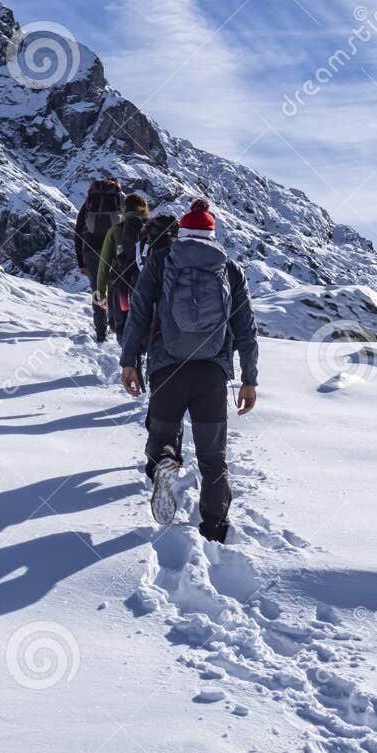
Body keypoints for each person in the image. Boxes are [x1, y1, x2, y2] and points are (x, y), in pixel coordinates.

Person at [118, 198, 258, 542]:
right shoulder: (229, 268)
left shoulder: (161, 260)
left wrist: (130, 361)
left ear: (181, 232)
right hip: (211, 372)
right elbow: (245, 328)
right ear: (212, 234)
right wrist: (249, 380)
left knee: (162, 437)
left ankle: (164, 461)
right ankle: (214, 528)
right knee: (213, 457)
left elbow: (138, 312)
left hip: (168, 366)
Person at [95, 194, 154, 342]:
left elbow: (104, 264)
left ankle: (129, 360)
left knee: (123, 328)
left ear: (124, 209)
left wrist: (101, 292)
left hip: (121, 287)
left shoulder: (115, 231)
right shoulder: (154, 229)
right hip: (149, 286)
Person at [73, 175, 123, 340]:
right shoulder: (119, 201)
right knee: (115, 288)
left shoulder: (89, 203)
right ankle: (115, 325)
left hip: (91, 250)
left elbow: (78, 231)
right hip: (115, 250)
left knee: (98, 291)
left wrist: (81, 262)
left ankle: (101, 333)